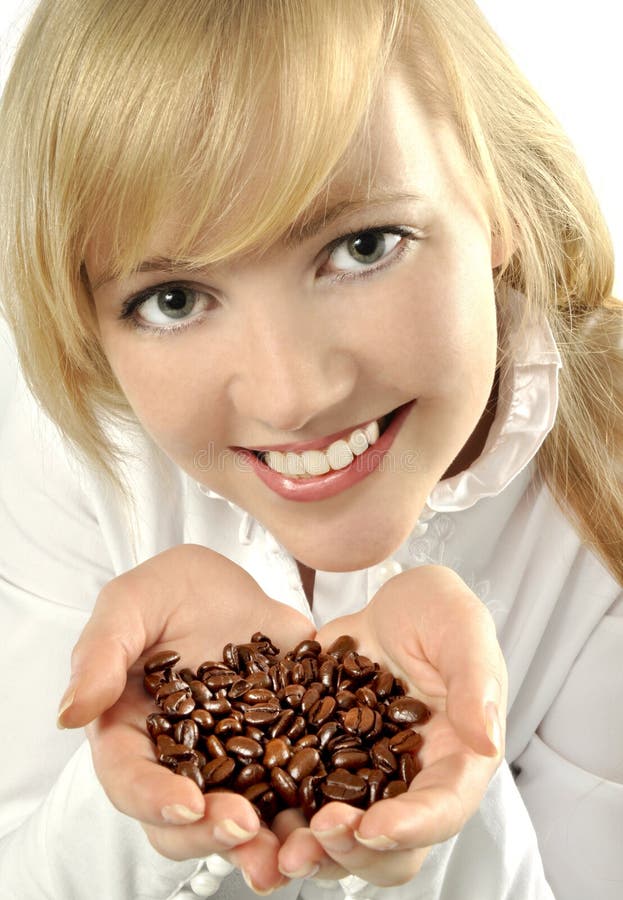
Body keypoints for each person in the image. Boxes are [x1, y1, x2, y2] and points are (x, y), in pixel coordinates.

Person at [0, 0, 621, 898]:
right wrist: (154, 769)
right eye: (173, 300)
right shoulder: (70, 443)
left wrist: (432, 796)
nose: (290, 395)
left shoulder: (601, 502)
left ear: (494, 196)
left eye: (362, 246)